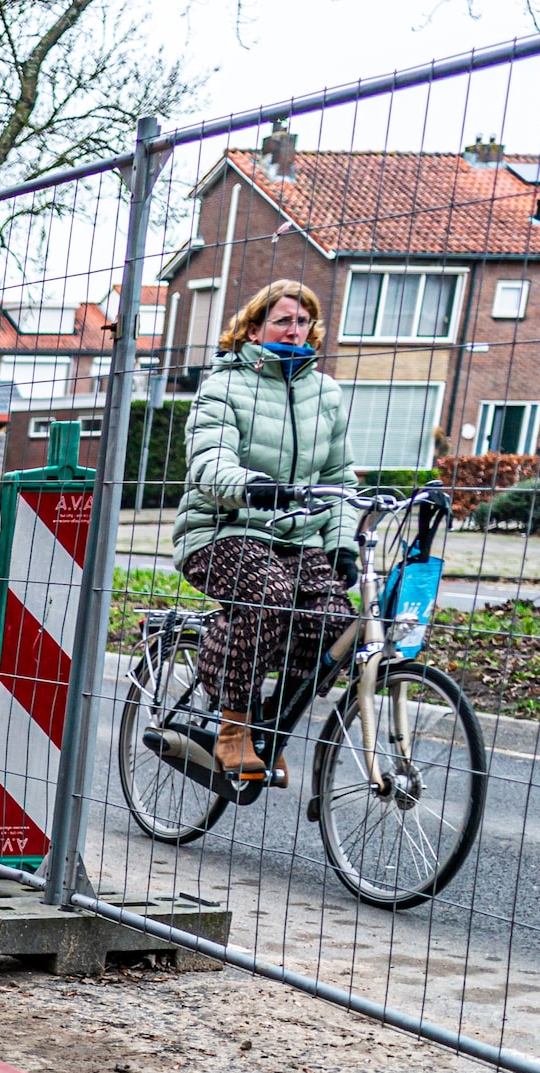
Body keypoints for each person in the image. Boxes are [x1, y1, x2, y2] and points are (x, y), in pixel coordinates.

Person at [174, 279, 362, 785]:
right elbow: (209, 463)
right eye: (283, 320)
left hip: (298, 536)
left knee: (338, 623)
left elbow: (340, 479)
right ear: (254, 328)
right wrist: (252, 488)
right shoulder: (223, 386)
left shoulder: (326, 393)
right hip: (222, 528)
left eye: (303, 321)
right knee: (271, 596)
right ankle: (232, 726)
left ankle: (269, 727)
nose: (294, 330)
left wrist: (341, 542)